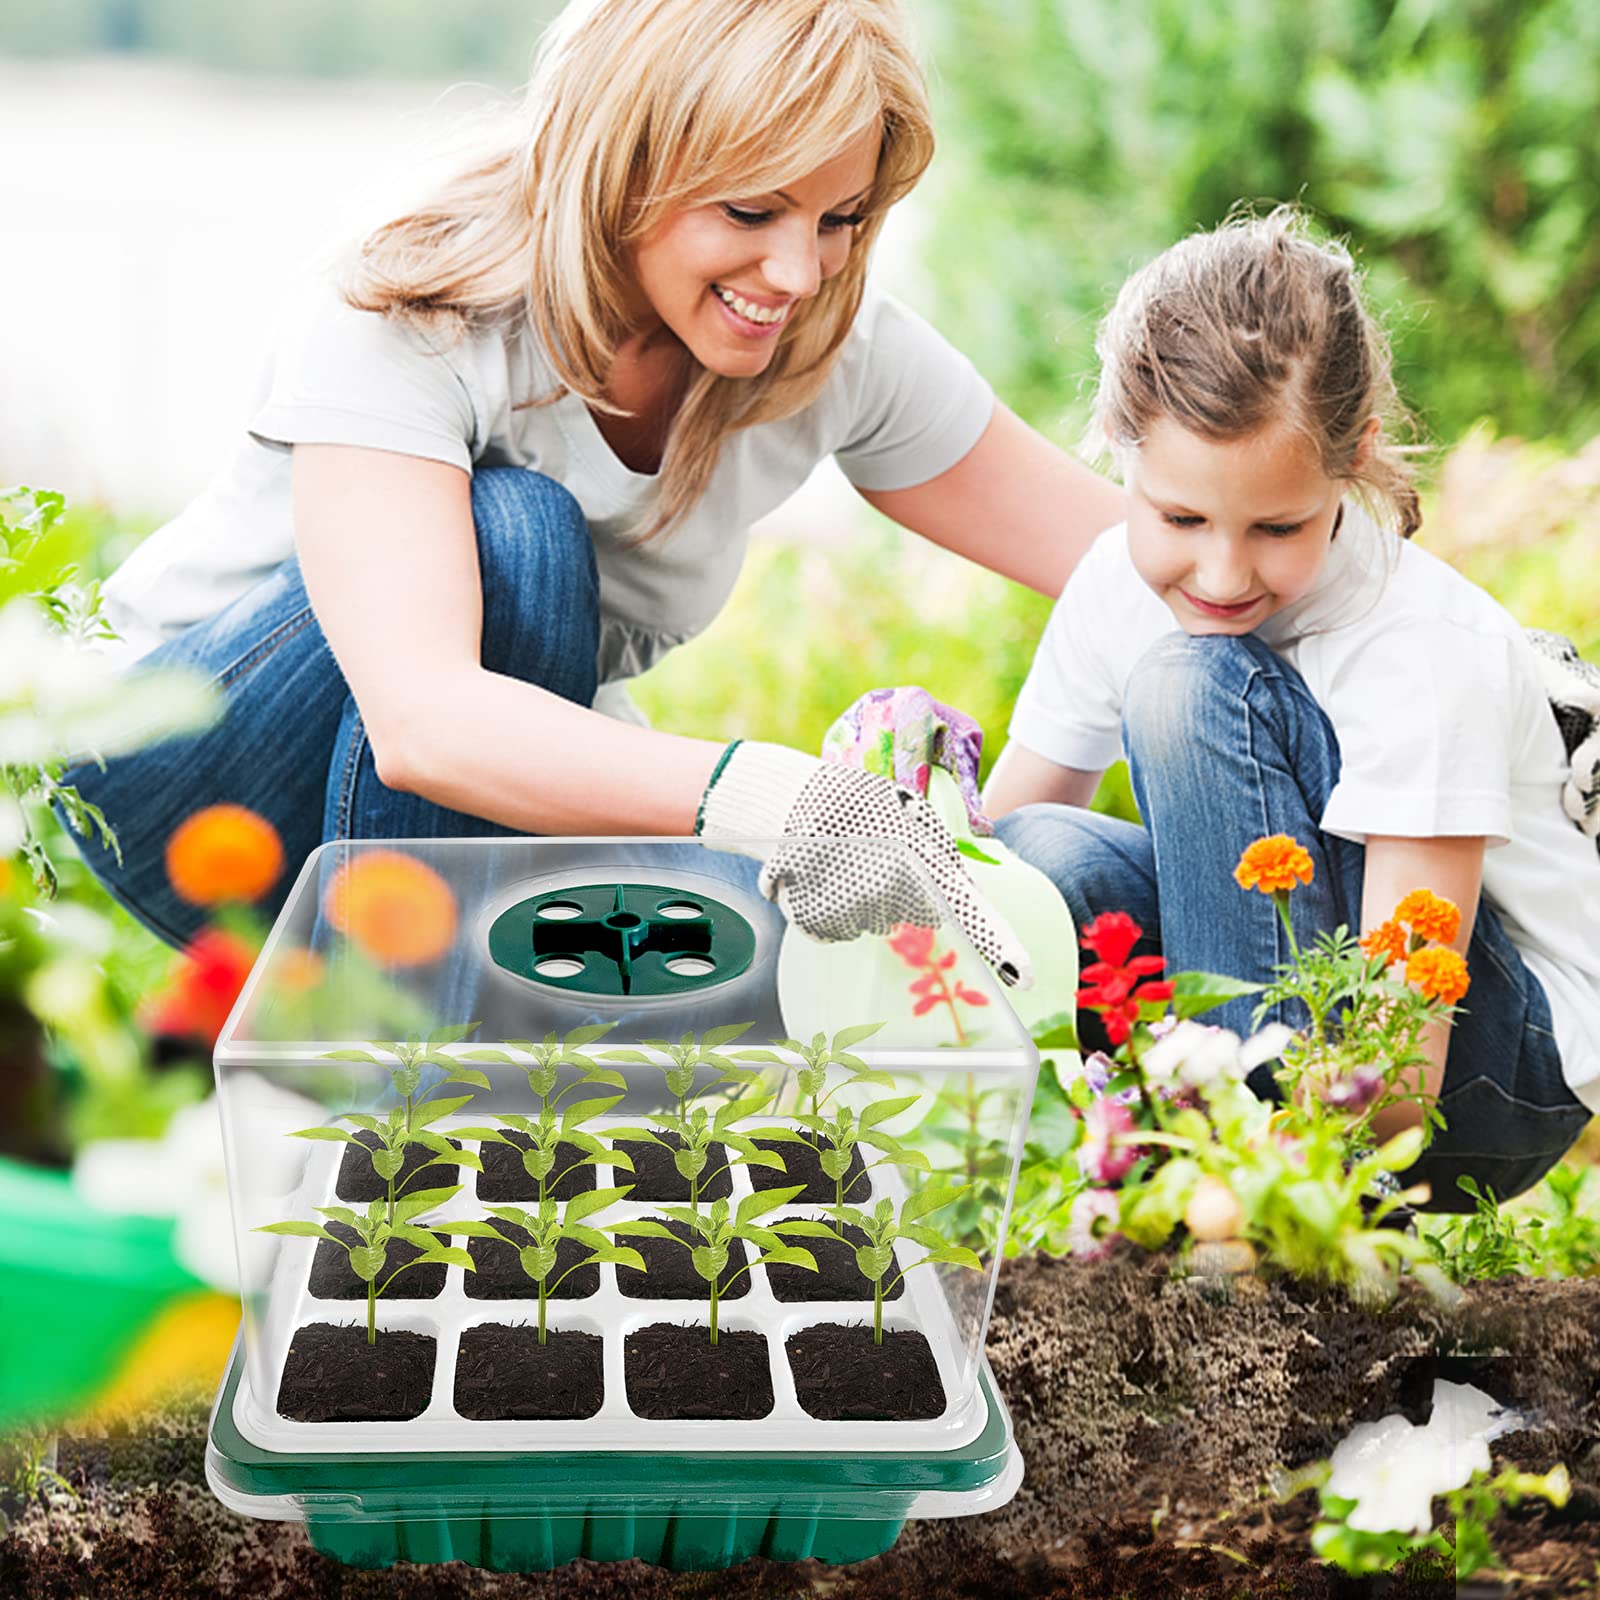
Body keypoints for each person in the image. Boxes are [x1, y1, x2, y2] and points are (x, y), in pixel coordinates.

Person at [60, 0, 1123, 986]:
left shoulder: (830, 341)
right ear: (624, 168)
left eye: (840, 218)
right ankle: (387, 1108)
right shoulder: (416, 303)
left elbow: (1135, 565)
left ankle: (454, 1073)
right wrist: (785, 796)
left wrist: (1010, 827)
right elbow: (427, 723)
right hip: (184, 781)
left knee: (768, 962)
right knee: (517, 534)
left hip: (449, 823)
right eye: (752, 209)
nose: (798, 271)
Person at [984, 208, 1600, 1209]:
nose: (1222, 573)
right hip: (1302, 1003)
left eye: (1277, 526)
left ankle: (1247, 1188)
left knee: (1194, 680)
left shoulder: (1420, 652)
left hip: (1484, 1073)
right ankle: (1174, 1151)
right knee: (1038, 860)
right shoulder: (1113, 582)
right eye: (1180, 517)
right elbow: (985, 868)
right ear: (1116, 445)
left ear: (1350, 458)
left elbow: (1402, 1081)